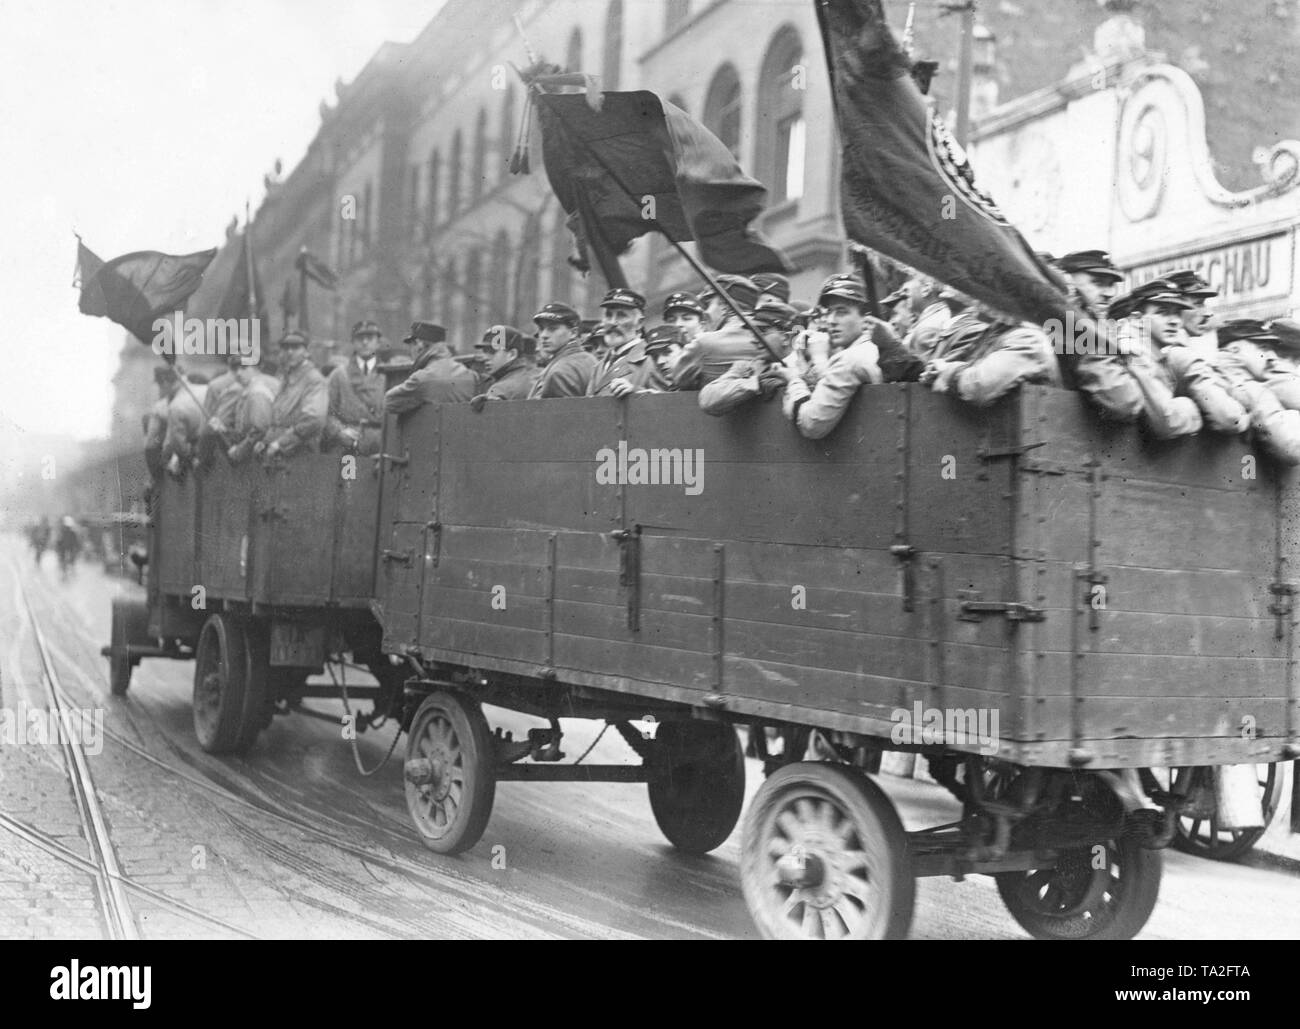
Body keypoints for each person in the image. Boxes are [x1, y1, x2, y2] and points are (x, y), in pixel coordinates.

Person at [1111, 281, 1244, 435]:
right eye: (1163, 312)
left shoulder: (1152, 352)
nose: (1174, 321)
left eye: (1177, 313)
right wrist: (1192, 409)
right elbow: (1167, 421)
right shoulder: (1134, 352)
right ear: (1137, 319)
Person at [778, 274, 894, 439]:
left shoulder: (848, 359)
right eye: (830, 312)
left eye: (842, 312)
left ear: (865, 318)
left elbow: (811, 424)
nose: (831, 320)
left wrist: (794, 380)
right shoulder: (872, 348)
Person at [919, 304, 1061, 405]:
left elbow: (978, 386)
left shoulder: (1029, 338)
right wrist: (938, 372)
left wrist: (946, 370)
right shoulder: (998, 332)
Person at [1213, 319, 1300, 463]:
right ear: (1235, 350)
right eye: (1263, 348)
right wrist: (1293, 417)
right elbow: (1292, 449)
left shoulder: (1221, 375)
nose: (1272, 356)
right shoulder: (1253, 391)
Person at [699, 298, 798, 415]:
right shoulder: (749, 366)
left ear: (785, 338)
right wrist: (756, 383)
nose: (755, 339)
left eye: (762, 332)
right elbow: (708, 400)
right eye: (752, 333)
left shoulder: (805, 365)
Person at [671, 275, 768, 390]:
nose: (705, 313)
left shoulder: (704, 343)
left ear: (724, 306)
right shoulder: (775, 337)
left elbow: (679, 379)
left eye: (707, 305)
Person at [256, 330, 328, 460]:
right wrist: (265, 440)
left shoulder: (314, 379)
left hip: (300, 452)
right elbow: (278, 416)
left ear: (306, 352)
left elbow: (314, 420)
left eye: (295, 347)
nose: (289, 352)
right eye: (285, 347)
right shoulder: (286, 377)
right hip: (279, 450)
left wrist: (281, 442)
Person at [384, 321, 478, 415]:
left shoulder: (421, 379)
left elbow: (389, 402)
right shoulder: (471, 375)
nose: (410, 350)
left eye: (412, 344)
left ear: (419, 344)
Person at [586, 288, 667, 396]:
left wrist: (637, 392)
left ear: (639, 323)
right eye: (609, 315)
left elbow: (669, 405)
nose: (612, 322)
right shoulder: (599, 366)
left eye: (621, 315)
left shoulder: (651, 360)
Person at [323, 319, 386, 454]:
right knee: (349, 475)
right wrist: (339, 431)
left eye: (369, 338)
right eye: (360, 338)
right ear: (352, 342)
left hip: (381, 445)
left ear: (378, 342)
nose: (365, 342)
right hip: (348, 444)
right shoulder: (339, 375)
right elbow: (327, 412)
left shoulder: (388, 374)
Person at [528, 302, 596, 398]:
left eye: (552, 329)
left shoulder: (559, 372)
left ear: (573, 333)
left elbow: (561, 412)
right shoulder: (590, 359)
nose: (544, 335)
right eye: (541, 329)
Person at [225, 358, 281, 463]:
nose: (238, 373)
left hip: (263, 454)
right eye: (235, 369)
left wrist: (239, 451)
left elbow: (260, 429)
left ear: (256, 368)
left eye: (244, 368)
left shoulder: (257, 392)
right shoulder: (257, 385)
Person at [470, 326, 540, 408]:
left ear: (512, 354)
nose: (485, 357)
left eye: (492, 351)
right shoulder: (540, 375)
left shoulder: (500, 389)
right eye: (485, 351)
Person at [161, 371, 209, 476]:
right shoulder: (207, 388)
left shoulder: (175, 407)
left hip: (199, 451)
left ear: (165, 383)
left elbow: (178, 444)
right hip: (215, 443)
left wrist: (188, 457)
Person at [143, 366, 178, 479]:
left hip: (173, 438)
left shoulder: (161, 405)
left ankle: (154, 480)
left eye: (160, 384)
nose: (160, 388)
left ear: (165, 382)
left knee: (151, 441)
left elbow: (151, 439)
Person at [644, 325, 687, 389]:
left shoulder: (703, 383)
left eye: (667, 352)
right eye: (655, 356)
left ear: (685, 352)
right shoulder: (669, 389)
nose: (659, 362)